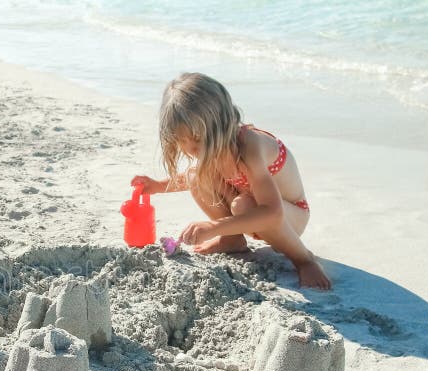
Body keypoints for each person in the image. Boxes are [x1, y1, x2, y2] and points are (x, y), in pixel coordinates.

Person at [132, 72, 331, 290]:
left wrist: (213, 227)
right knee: (197, 176)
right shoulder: (216, 147)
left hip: (290, 217)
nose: (191, 148)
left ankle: (304, 259)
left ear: (220, 123)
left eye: (197, 139)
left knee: (242, 204)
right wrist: (158, 186)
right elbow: (190, 177)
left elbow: (272, 213)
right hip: (254, 211)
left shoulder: (251, 146)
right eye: (182, 140)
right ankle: (232, 240)